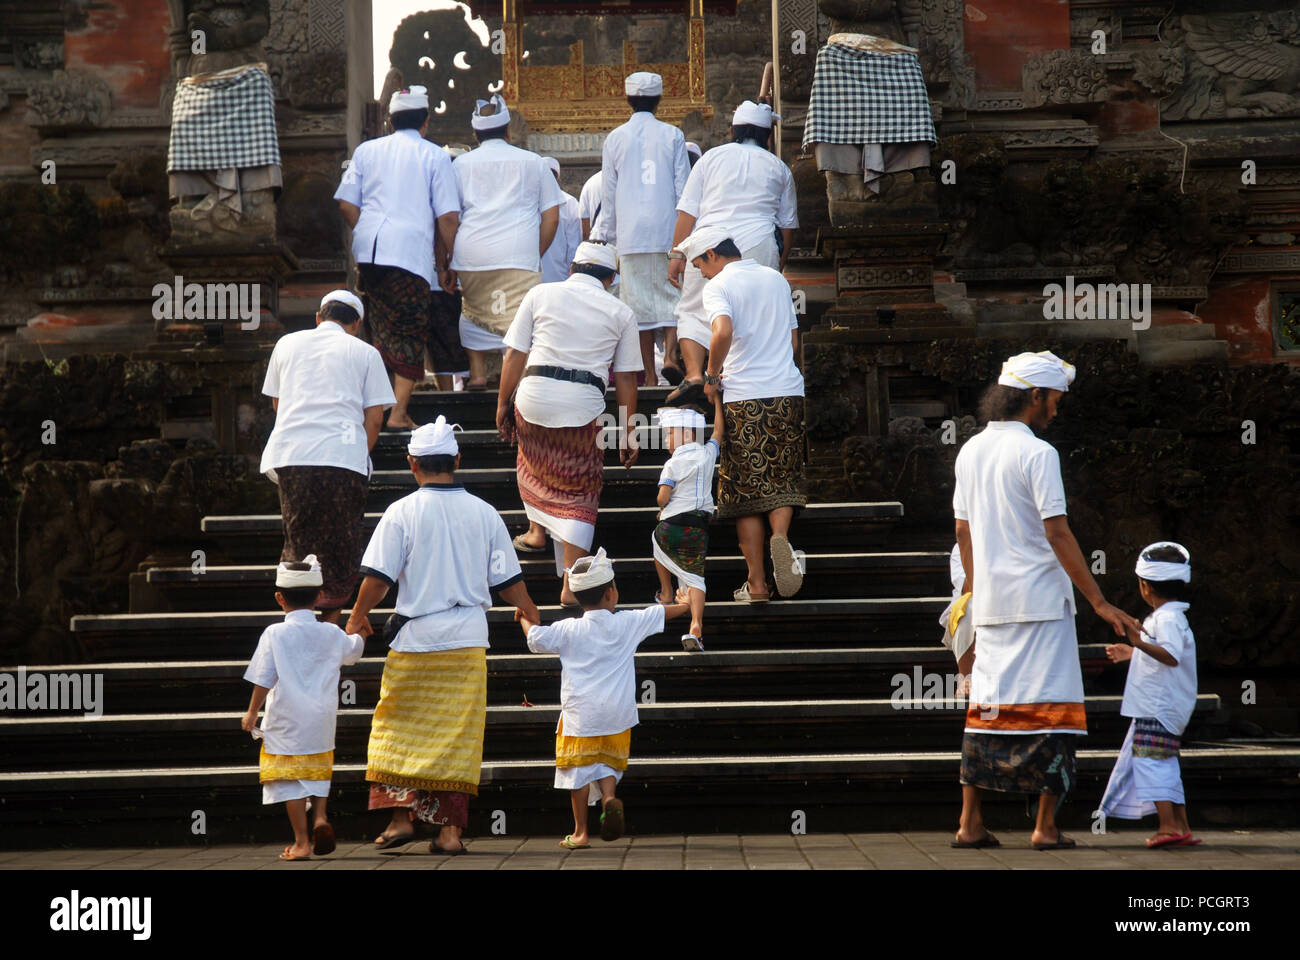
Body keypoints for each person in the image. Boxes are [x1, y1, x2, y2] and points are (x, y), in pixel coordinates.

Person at [951, 351, 1142, 851]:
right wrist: (1099, 602)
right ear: (1034, 396)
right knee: (1052, 712)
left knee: (985, 711)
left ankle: (970, 823)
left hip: (992, 605)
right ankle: (1045, 827)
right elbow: (1057, 531)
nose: (1056, 412)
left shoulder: (970, 450)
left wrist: (974, 591)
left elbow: (962, 532)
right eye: (1055, 401)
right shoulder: (1038, 454)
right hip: (1039, 602)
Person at [345, 417, 540, 855]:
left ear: (412, 463)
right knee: (459, 736)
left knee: (396, 729)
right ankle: (450, 833)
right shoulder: (485, 513)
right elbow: (507, 581)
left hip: (415, 640)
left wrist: (357, 616)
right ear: (457, 460)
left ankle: (400, 819)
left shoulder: (401, 512)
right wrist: (529, 609)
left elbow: (377, 579)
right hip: (467, 640)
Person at [497, 241, 642, 605]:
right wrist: (628, 429)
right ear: (610, 278)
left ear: (573, 267)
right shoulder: (621, 312)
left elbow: (515, 353)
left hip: (532, 396)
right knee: (579, 487)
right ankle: (570, 583)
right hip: (582, 405)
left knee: (537, 466)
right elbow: (626, 379)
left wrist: (502, 403)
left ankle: (535, 533)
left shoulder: (540, 293)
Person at [518, 549, 688, 848]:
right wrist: (685, 605)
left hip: (581, 715)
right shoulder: (627, 623)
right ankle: (609, 797)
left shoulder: (569, 629)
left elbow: (535, 640)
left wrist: (524, 619)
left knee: (578, 772)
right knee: (608, 764)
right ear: (612, 593)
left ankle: (581, 832)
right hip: (617, 713)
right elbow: (660, 612)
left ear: (578, 598)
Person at [677, 227, 807, 603]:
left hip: (744, 398)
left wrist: (712, 376)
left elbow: (722, 331)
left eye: (699, 263)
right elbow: (794, 340)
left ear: (713, 255)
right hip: (786, 391)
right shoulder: (776, 278)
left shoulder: (719, 285)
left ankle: (757, 584)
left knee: (743, 493)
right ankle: (780, 538)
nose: (700, 272)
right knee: (781, 479)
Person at [260, 289, 395, 621]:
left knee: (299, 538)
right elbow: (375, 417)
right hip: (342, 458)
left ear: (319, 317)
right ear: (357, 324)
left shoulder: (286, 344)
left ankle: (296, 620)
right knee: (341, 541)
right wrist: (355, 455)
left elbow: (278, 405)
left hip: (292, 454)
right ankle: (332, 623)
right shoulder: (365, 352)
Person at [334, 86, 461, 428]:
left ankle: (374, 409)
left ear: (390, 121)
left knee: (378, 329)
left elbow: (346, 203)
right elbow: (448, 217)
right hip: (409, 255)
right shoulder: (434, 156)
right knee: (409, 328)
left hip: (370, 254)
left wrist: (368, 231)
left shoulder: (365, 152)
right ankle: (397, 414)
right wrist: (451, 263)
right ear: (426, 122)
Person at [667, 101, 798, 401]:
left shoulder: (710, 158)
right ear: (767, 136)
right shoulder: (778, 167)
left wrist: (677, 255)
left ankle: (695, 374)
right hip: (757, 244)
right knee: (749, 312)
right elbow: (788, 226)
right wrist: (780, 262)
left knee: (691, 311)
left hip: (708, 246)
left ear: (732, 131)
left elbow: (687, 213)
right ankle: (731, 379)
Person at [241, 557, 366, 861]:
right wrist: (361, 630)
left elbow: (263, 678)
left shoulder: (274, 633)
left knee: (288, 778)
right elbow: (354, 650)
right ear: (320, 596)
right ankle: (321, 817)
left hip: (286, 716)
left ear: (279, 598)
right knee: (317, 768)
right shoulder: (331, 633)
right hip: (321, 717)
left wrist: (252, 711)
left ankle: (301, 842)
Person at [450, 94, 563, 390]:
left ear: (475, 134)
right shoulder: (534, 163)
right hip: (519, 252)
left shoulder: (460, 165)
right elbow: (551, 217)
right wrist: (535, 252)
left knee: (472, 309)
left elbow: (449, 215)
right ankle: (517, 377)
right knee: (521, 318)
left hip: (472, 253)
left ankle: (476, 374)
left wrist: (445, 260)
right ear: (508, 131)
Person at [1099, 542, 1201, 848]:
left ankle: (1168, 825)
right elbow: (1167, 655)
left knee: (1151, 762)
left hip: (1158, 707)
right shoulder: (1169, 618)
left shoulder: (1166, 619)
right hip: (1164, 706)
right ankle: (1180, 825)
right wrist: (1132, 652)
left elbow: (1169, 655)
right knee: (1164, 761)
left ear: (1145, 586)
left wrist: (1137, 642)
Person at [598, 72, 691, 383]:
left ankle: (650, 376)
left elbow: (608, 195)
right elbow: (684, 191)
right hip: (668, 230)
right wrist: (686, 237)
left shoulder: (615, 138)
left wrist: (608, 237)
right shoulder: (673, 135)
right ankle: (670, 356)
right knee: (673, 296)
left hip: (631, 233)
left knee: (637, 306)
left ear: (628, 100)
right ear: (658, 100)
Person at [652, 400, 724, 651]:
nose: (666, 440)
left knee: (658, 548)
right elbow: (718, 432)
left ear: (686, 433)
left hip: (669, 526)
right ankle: (695, 626)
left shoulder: (671, 464)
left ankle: (667, 592)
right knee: (695, 577)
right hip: (697, 528)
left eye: (669, 433)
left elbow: (663, 497)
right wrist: (718, 402)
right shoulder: (707, 454)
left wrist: (662, 507)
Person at [540, 156, 583, 284]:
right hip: (561, 277)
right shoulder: (569, 202)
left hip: (534, 276)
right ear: (558, 179)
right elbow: (574, 245)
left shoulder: (527, 201)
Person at [938, 543, 975, 689]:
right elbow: (968, 587)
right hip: (975, 601)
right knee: (968, 607)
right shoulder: (962, 547)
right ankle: (966, 678)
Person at [578, 168, 604, 241]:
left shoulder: (591, 182)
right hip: (627, 246)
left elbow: (585, 230)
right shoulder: (634, 180)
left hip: (598, 244)